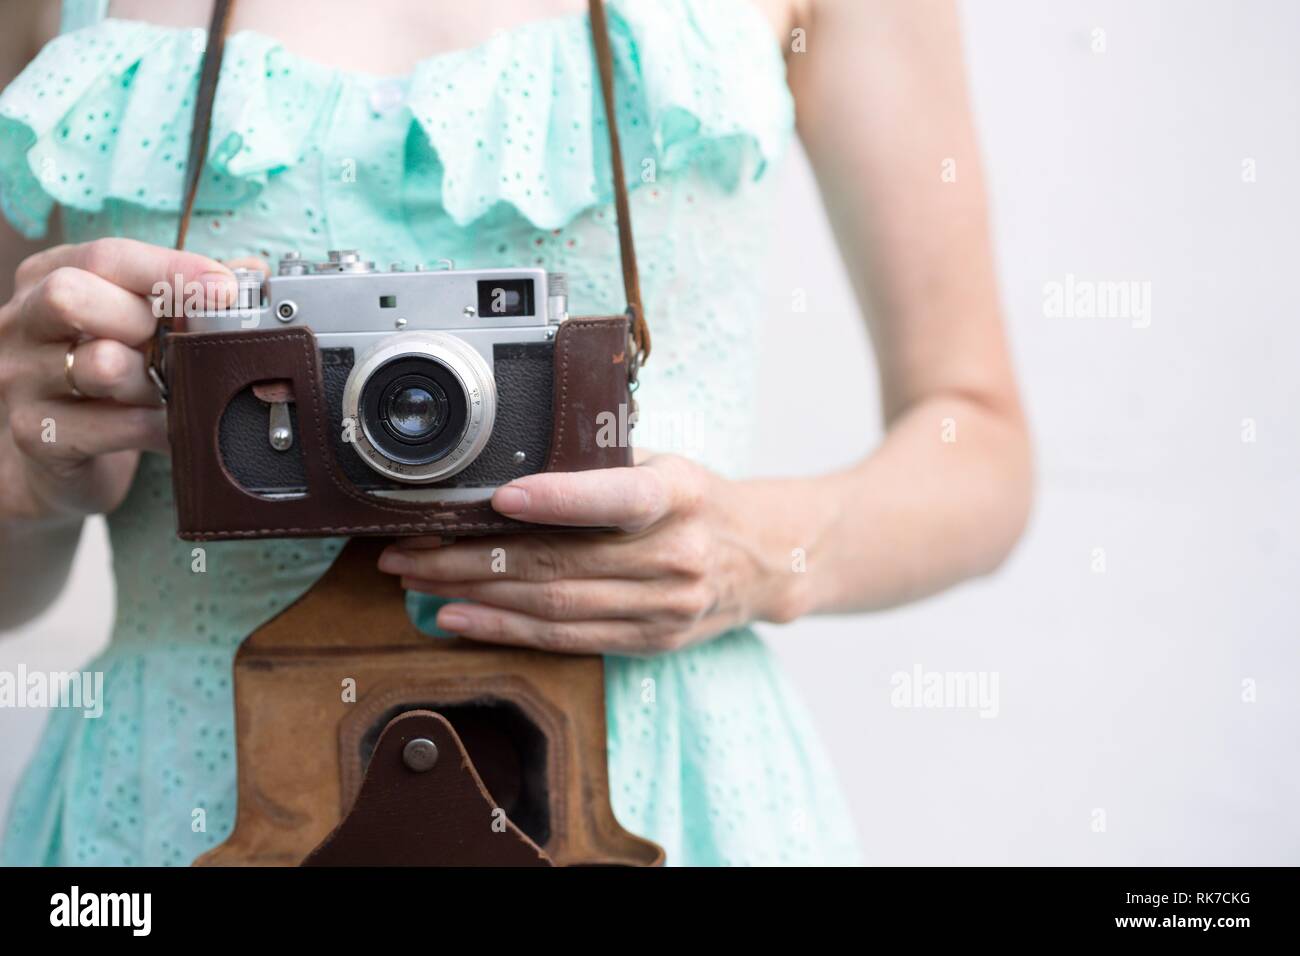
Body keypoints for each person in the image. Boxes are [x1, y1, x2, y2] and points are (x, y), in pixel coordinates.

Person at [0, 0, 1031, 865]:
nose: (411, 407)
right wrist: (36, 477)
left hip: (648, 770)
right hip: (188, 781)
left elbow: (980, 446)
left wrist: (755, 554)